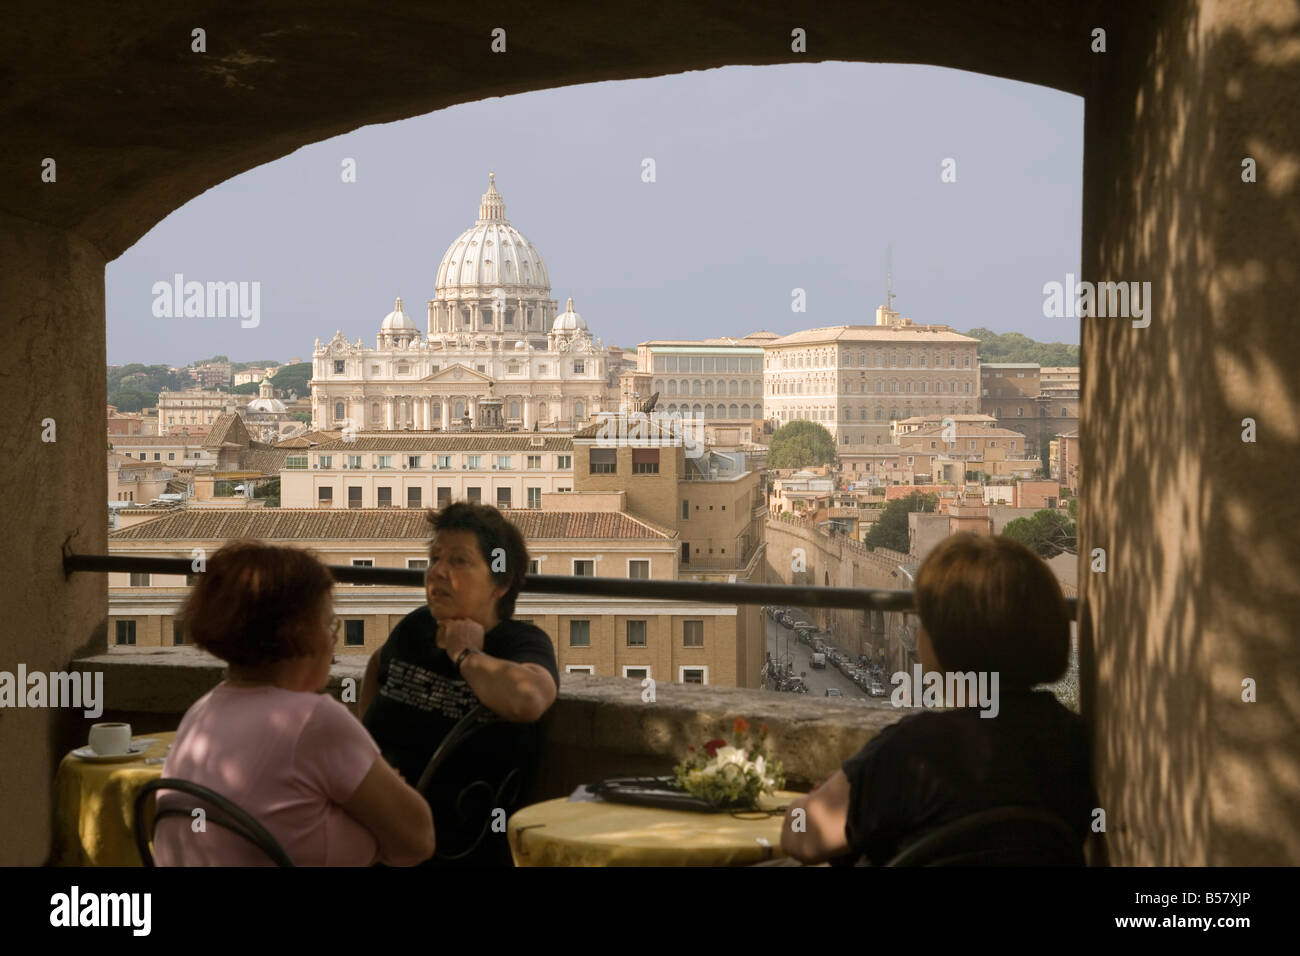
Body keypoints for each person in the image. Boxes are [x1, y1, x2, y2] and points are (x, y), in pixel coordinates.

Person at [781, 533, 1094, 865]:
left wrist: (808, 804)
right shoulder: (1075, 741)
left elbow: (803, 838)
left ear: (944, 643)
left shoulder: (913, 751)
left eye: (924, 620)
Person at [155, 542, 435, 866]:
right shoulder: (313, 720)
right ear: (298, 633)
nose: (333, 641)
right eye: (329, 624)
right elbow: (417, 842)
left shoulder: (201, 711)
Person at [361, 502, 559, 867]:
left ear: (500, 580)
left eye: (458, 561)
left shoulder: (520, 643)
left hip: (458, 850)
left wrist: (466, 654)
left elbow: (528, 699)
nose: (436, 571)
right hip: (376, 837)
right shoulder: (416, 627)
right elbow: (376, 665)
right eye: (434, 559)